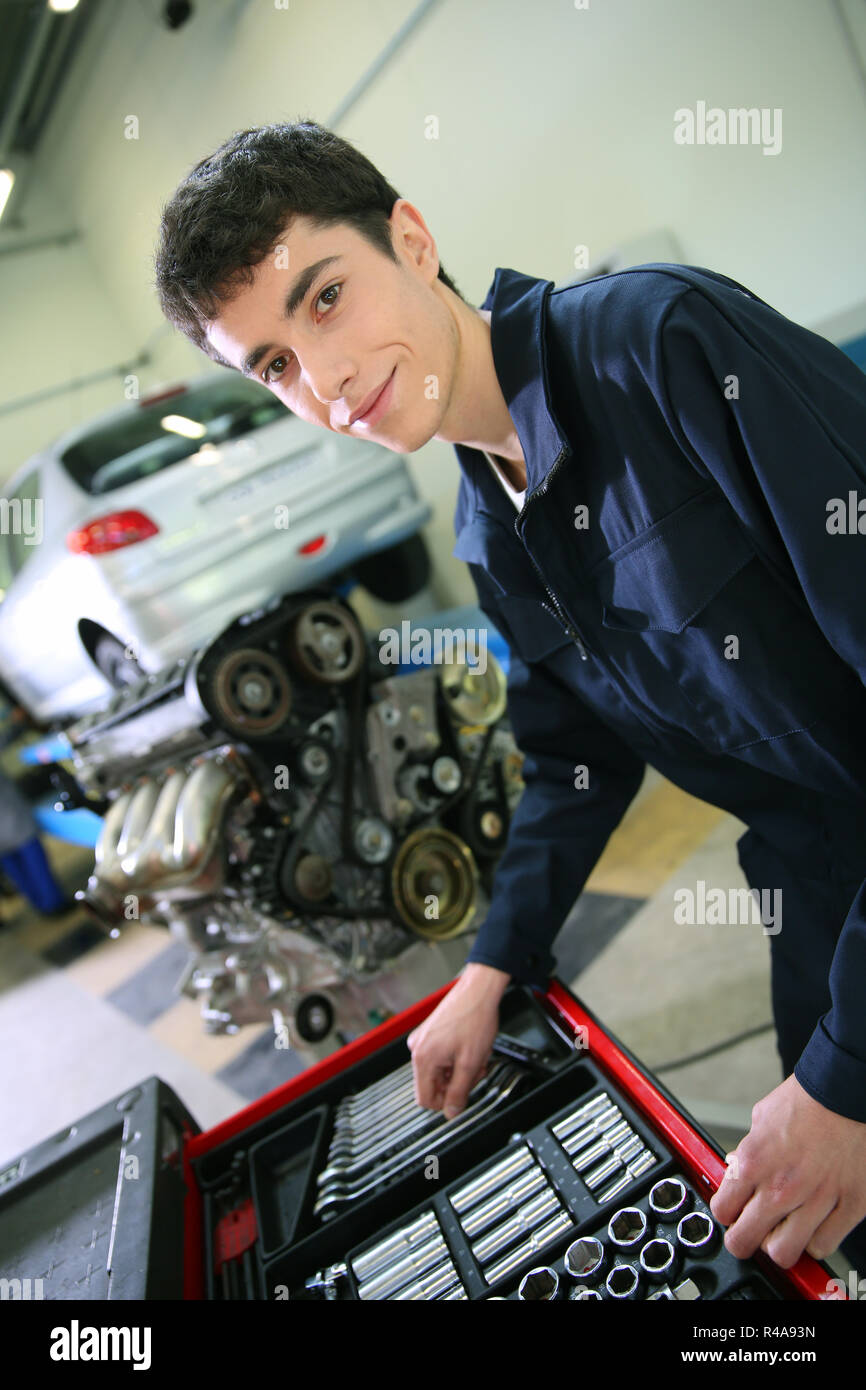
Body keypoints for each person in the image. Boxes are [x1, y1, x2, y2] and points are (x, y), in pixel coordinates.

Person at [153, 119, 866, 1275]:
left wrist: (846, 1079)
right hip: (818, 869)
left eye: (324, 297)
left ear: (412, 240)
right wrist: (496, 963)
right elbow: (572, 761)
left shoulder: (664, 343)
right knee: (815, 1212)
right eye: (274, 366)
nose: (323, 380)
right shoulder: (485, 527)